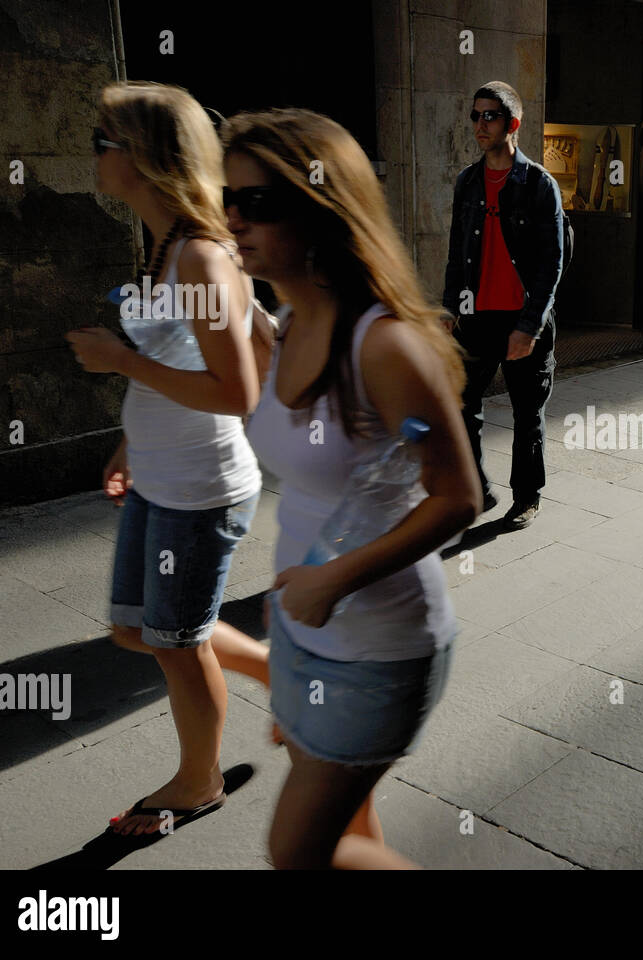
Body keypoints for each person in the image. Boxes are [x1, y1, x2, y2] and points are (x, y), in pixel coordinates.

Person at [223, 108, 481, 869]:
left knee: (298, 855)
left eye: (257, 202)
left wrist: (333, 580)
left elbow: (457, 496)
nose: (234, 218)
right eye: (226, 198)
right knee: (348, 836)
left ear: (321, 206)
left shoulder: (386, 344)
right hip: (301, 633)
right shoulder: (288, 322)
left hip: (375, 650)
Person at [66, 82, 274, 837]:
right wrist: (129, 440)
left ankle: (199, 782)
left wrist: (120, 362)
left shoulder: (197, 258)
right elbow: (206, 354)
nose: (94, 152)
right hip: (159, 476)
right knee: (135, 629)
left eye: (104, 140)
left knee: (175, 642)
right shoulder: (167, 247)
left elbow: (237, 389)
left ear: (146, 159)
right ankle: (272, 671)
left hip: (200, 491)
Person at [442, 81, 564, 530]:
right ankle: (477, 487)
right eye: (475, 115)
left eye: (489, 116)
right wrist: (450, 308)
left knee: (527, 413)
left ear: (512, 123)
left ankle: (526, 497)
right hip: (475, 318)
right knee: (460, 405)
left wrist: (530, 326)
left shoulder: (538, 185)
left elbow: (552, 262)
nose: (479, 124)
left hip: (522, 319)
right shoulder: (467, 182)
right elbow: (458, 252)